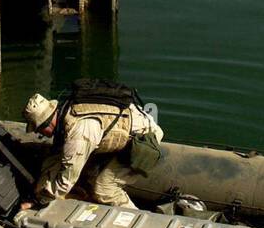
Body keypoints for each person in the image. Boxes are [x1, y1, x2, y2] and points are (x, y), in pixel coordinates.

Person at [21, 87, 164, 209]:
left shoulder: (78, 133)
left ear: (47, 124)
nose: (38, 133)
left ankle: (135, 219)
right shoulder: (67, 111)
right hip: (122, 132)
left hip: (141, 141)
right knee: (87, 175)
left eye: (38, 129)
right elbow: (58, 159)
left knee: (104, 189)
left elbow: (67, 178)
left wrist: (38, 200)